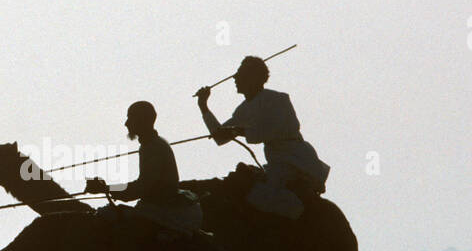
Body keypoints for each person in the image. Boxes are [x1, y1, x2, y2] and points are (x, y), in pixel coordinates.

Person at [195, 56, 329, 220]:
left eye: (240, 74)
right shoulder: (243, 110)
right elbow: (220, 136)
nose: (234, 78)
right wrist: (204, 106)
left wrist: (237, 130)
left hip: (294, 161)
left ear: (254, 78)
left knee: (261, 194)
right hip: (276, 164)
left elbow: (266, 131)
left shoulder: (279, 99)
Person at [85, 101, 204, 235]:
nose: (126, 123)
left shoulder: (153, 147)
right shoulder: (151, 145)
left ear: (142, 121)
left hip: (165, 212)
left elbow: (141, 187)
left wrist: (107, 188)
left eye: (130, 118)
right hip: (160, 208)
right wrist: (108, 188)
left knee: (106, 216)